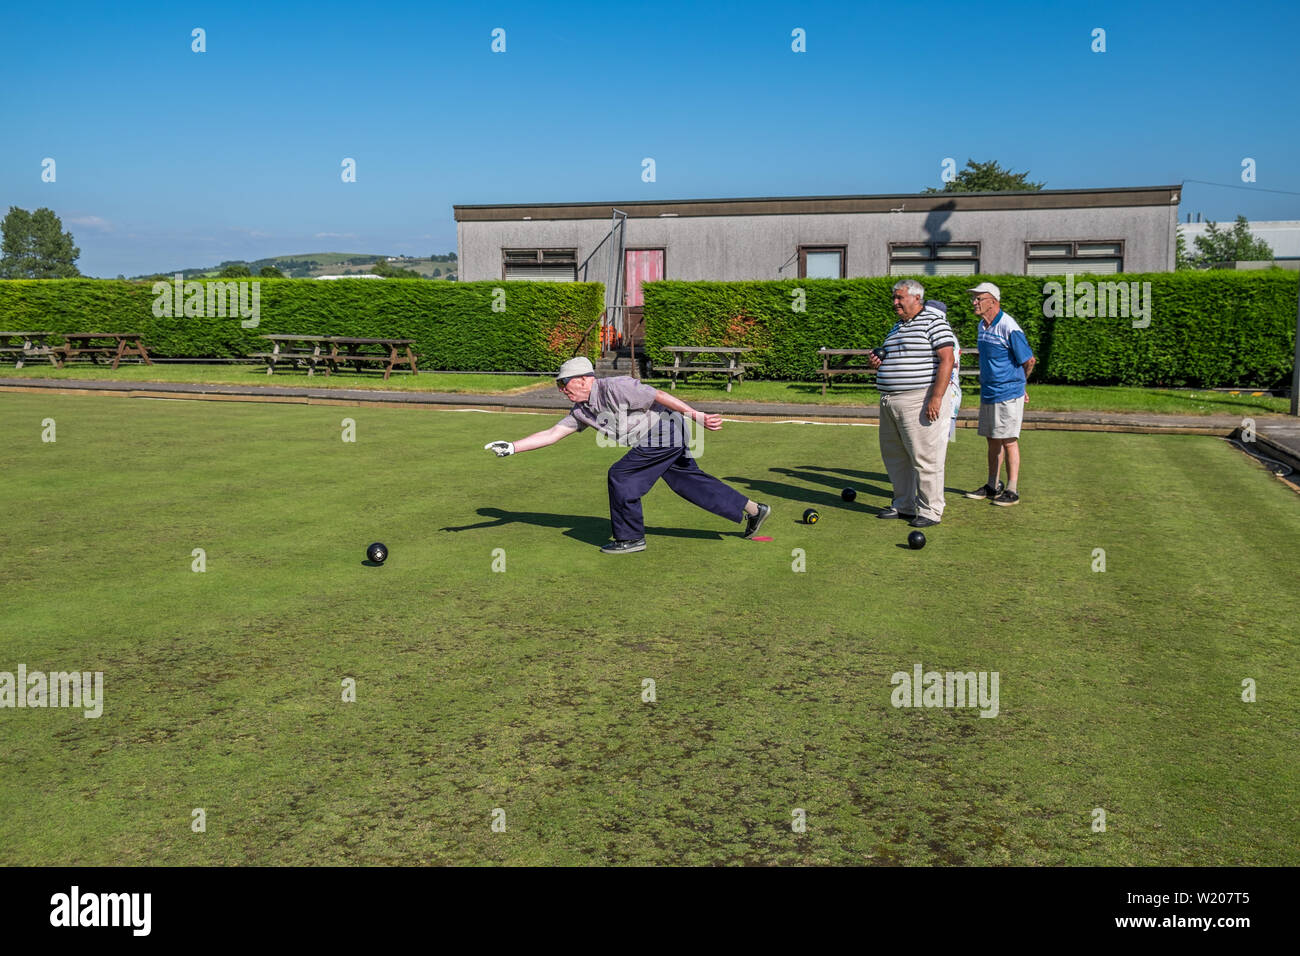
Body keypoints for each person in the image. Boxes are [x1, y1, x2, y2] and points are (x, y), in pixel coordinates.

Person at [483, 357, 771, 554]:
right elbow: (553, 433)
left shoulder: (616, 387)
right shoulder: (582, 410)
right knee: (689, 483)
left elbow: (658, 395)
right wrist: (512, 446)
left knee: (621, 475)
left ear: (584, 380)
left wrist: (697, 415)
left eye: (564, 383)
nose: (561, 389)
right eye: (560, 384)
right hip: (656, 440)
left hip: (665, 432)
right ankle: (754, 510)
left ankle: (631, 538)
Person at [866, 280, 957, 528]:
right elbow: (895, 359)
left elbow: (947, 359)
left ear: (917, 299)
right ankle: (904, 504)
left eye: (900, 298)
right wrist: (878, 362)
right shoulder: (897, 327)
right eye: (894, 298)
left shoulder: (934, 322)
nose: (895, 302)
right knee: (895, 457)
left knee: (925, 457)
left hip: (920, 399)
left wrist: (936, 397)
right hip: (890, 401)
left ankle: (931, 510)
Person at [963, 282, 1036, 506]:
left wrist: (1020, 386)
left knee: (1009, 440)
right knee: (992, 439)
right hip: (989, 391)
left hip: (1008, 392)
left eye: (978, 298)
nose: (974, 302)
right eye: (973, 298)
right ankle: (993, 485)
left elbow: (1029, 360)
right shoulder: (981, 326)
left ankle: (1012, 490)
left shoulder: (1009, 327)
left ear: (993, 301)